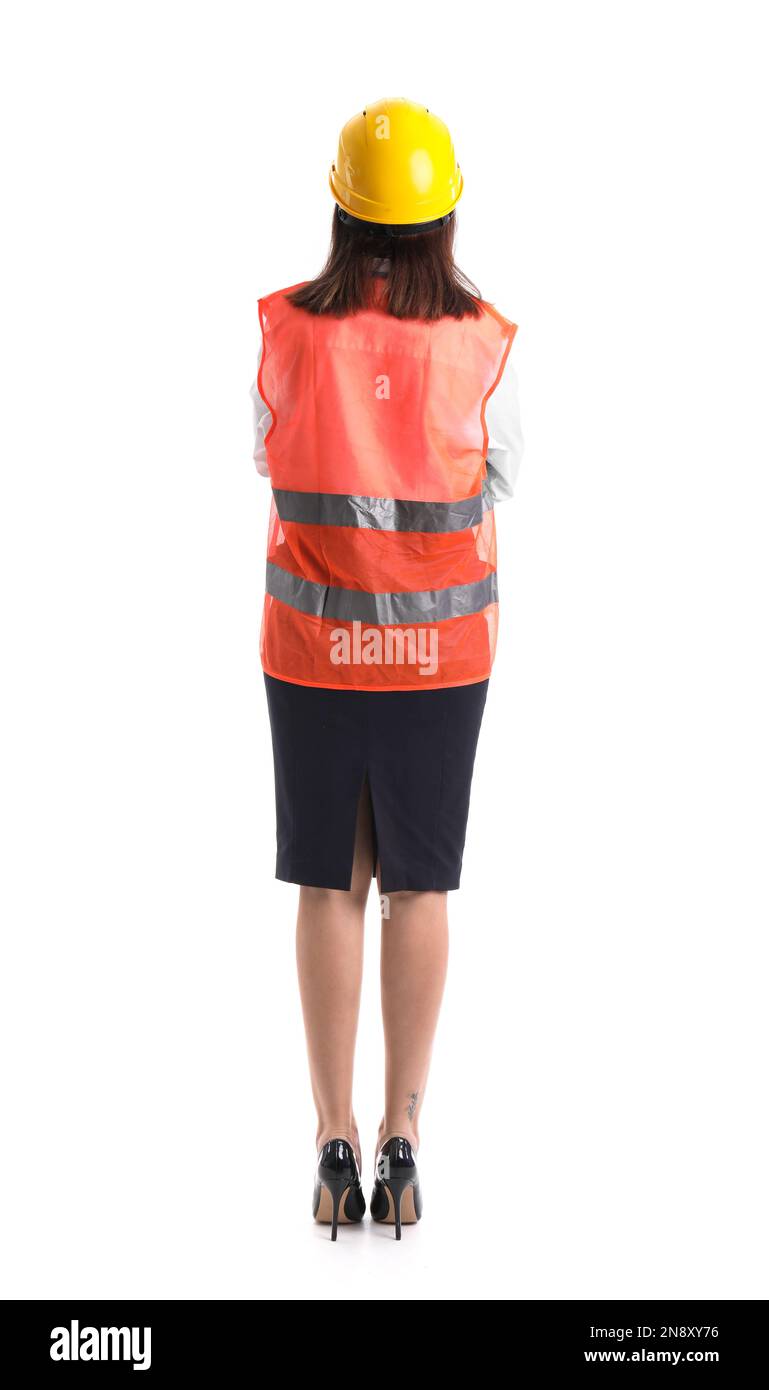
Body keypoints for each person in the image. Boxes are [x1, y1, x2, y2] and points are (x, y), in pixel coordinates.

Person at [250, 98, 524, 1239]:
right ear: (444, 216)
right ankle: (405, 1138)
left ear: (341, 209)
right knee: (421, 883)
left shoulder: (286, 332)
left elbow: (257, 452)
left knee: (331, 881)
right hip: (437, 658)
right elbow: (506, 477)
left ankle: (333, 1138)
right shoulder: (484, 342)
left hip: (313, 649)